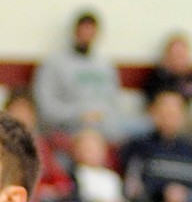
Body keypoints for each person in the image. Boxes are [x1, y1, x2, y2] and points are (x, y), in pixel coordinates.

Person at [32, 10, 125, 139]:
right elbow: (46, 107)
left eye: (91, 30)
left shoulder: (105, 65)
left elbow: (113, 103)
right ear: (75, 31)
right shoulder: (54, 63)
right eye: (83, 30)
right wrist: (79, 115)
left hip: (103, 133)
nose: (86, 34)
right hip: (67, 132)